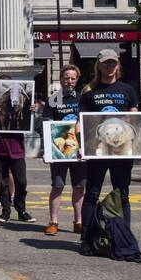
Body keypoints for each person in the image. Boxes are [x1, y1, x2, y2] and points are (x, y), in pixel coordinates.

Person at [79, 48, 141, 262]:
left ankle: (124, 239)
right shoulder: (89, 90)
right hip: (97, 148)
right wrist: (81, 145)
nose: (109, 67)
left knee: (123, 194)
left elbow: (135, 120)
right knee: (92, 193)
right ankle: (86, 239)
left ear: (118, 66)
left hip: (122, 149)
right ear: (98, 66)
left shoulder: (127, 89)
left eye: (113, 63)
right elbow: (81, 121)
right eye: (105, 63)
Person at [42, 63, 84, 235]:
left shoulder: (83, 98)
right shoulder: (53, 100)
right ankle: (53, 222)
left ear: (77, 80)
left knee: (80, 187)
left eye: (73, 78)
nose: (69, 81)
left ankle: (79, 222)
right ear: (61, 79)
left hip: (80, 150)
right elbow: (46, 125)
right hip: (58, 150)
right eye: (66, 78)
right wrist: (46, 150)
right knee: (58, 186)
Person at [0, 94, 33, 224]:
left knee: (21, 181)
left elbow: (26, 123)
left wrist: (30, 112)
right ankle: (5, 211)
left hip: (17, 148)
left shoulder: (19, 104)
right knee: (2, 182)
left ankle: (21, 209)